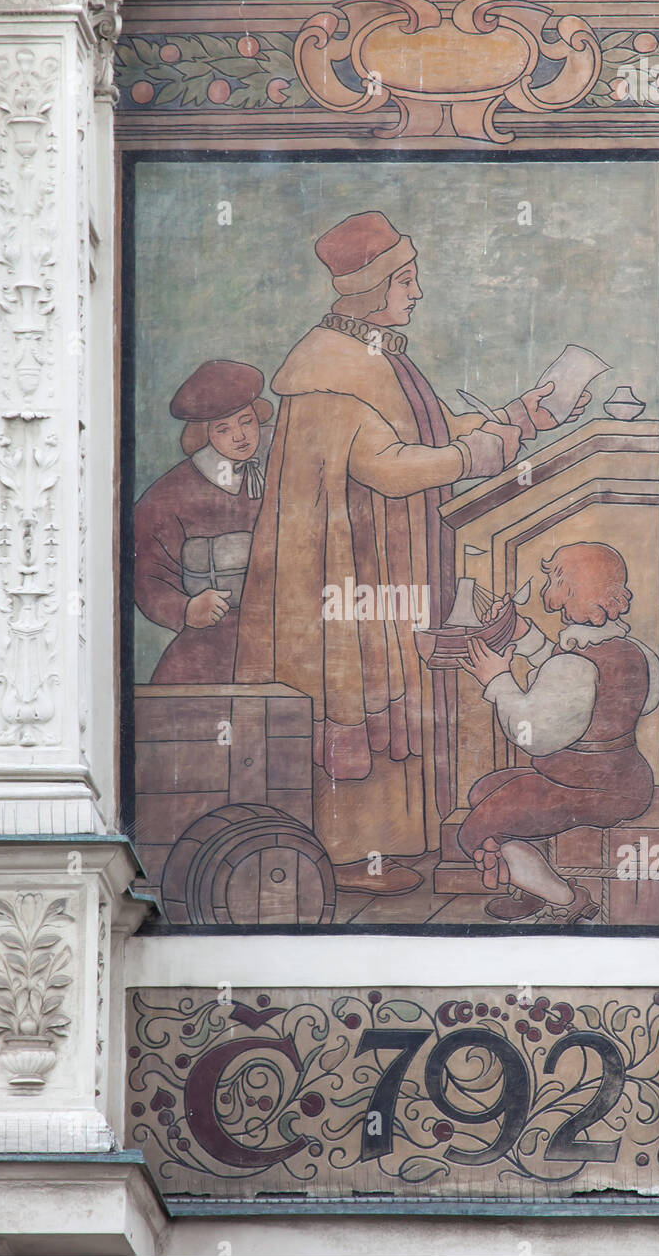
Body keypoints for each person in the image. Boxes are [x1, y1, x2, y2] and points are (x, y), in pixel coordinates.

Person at [235, 210, 588, 895]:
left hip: (384, 567)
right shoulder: (329, 369)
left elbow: (421, 429)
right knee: (357, 697)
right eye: (406, 278)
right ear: (371, 289)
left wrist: (515, 418)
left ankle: (383, 847)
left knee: (388, 695)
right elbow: (386, 465)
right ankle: (342, 853)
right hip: (347, 577)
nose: (417, 291)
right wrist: (469, 455)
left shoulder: (374, 352)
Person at [458, 542, 659, 922]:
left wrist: (497, 679)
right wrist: (522, 632)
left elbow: (532, 733)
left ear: (569, 588)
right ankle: (534, 888)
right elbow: (579, 683)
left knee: (475, 832)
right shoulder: (634, 649)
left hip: (582, 788)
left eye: (554, 578)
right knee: (484, 791)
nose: (547, 586)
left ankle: (567, 900)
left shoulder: (572, 664)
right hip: (629, 781)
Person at [134, 360, 272, 685]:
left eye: (246, 422)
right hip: (214, 642)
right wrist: (186, 609)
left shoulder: (286, 460)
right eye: (223, 429)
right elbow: (144, 573)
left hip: (289, 632)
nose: (240, 436)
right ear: (203, 434)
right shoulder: (171, 494)